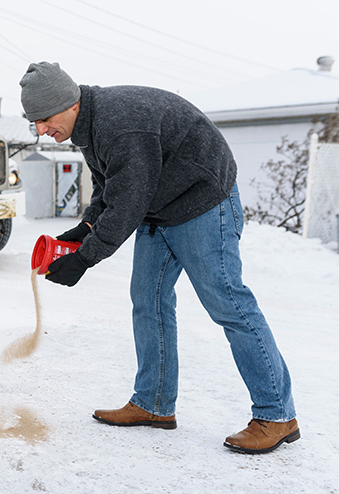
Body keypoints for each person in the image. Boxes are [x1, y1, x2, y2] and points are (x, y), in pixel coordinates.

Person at [19, 61, 298, 454]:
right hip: (161, 205)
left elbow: (129, 201)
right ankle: (153, 404)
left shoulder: (121, 122)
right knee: (147, 301)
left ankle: (276, 415)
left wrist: (85, 258)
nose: (40, 130)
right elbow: (110, 185)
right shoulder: (86, 127)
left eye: (44, 119)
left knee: (228, 303)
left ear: (69, 103)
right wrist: (85, 228)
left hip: (203, 203)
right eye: (34, 122)